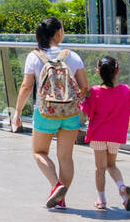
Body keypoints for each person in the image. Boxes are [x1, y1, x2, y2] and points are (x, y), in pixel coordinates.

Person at [13, 17, 89, 209]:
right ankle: (61, 198)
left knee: (39, 152)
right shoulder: (72, 56)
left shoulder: (34, 57)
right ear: (57, 33)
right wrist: (72, 102)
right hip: (70, 113)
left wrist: (18, 112)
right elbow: (84, 85)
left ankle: (56, 185)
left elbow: (26, 86)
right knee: (66, 157)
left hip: (45, 111)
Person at [82, 56, 130, 212]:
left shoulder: (95, 91)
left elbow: (88, 111)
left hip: (99, 134)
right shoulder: (125, 89)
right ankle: (121, 187)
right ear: (118, 71)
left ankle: (101, 200)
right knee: (112, 165)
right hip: (116, 135)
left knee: (100, 168)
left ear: (98, 72)